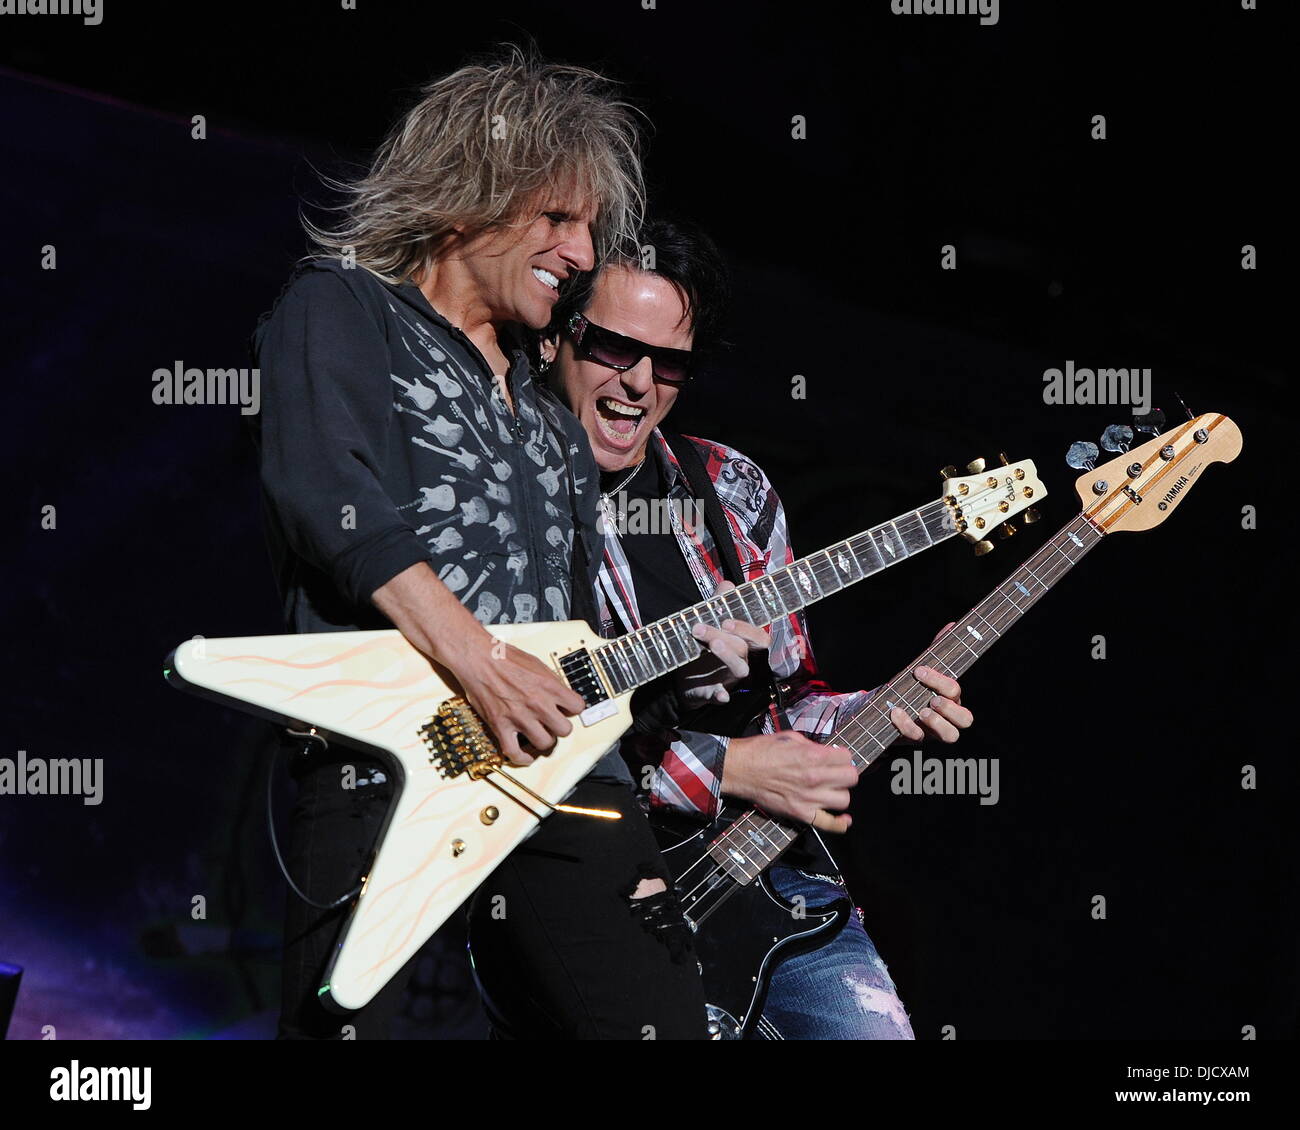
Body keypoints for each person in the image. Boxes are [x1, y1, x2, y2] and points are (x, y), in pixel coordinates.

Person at [251, 51, 729, 1040]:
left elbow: (566, 621)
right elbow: (326, 492)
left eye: (591, 227)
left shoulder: (551, 416)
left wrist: (644, 763)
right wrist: (477, 656)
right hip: (388, 754)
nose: (579, 248)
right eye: (559, 217)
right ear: (468, 190)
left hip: (561, 777)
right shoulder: (343, 309)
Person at [535, 216, 974, 1039]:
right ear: (562, 336)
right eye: (612, 348)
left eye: (670, 362)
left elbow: (796, 699)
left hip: (777, 875)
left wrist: (882, 703)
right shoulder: (511, 502)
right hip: (610, 880)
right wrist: (730, 767)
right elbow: (526, 745)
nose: (638, 383)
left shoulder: (731, 487)